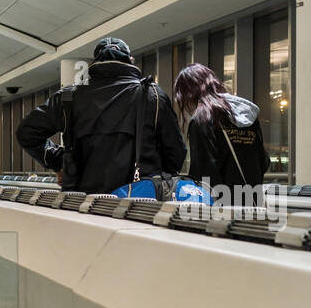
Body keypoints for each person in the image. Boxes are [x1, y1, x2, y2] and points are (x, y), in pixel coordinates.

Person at [17, 37, 186, 194]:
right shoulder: (153, 95)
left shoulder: (69, 96)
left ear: (94, 63)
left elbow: (27, 132)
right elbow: (176, 153)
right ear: (130, 60)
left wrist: (59, 162)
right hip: (140, 200)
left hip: (79, 202)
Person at [172, 63, 269, 197]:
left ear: (188, 93)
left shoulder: (202, 118)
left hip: (221, 207)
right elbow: (264, 161)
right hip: (252, 201)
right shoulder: (248, 115)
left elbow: (203, 172)